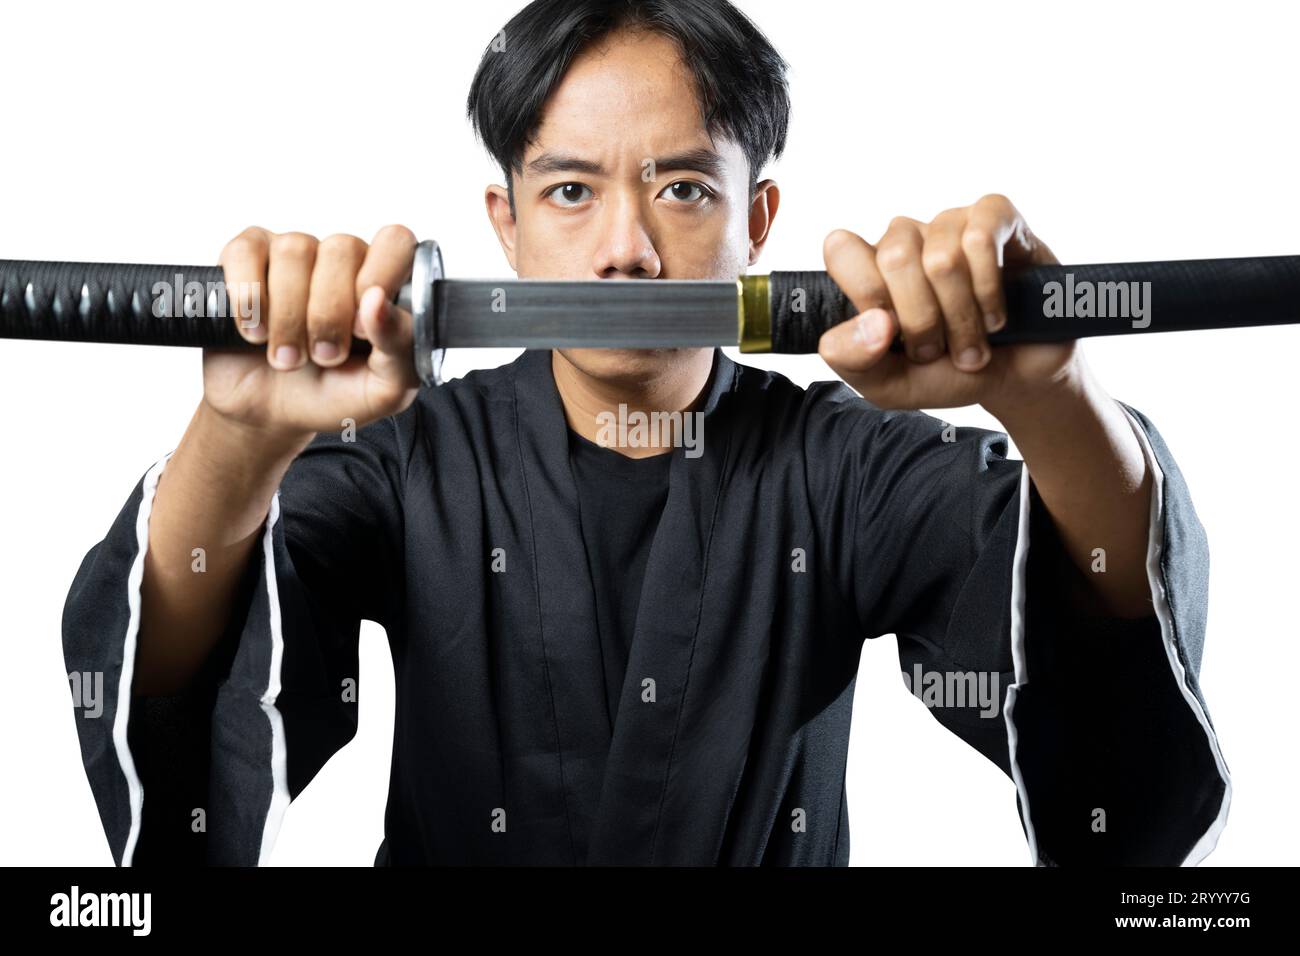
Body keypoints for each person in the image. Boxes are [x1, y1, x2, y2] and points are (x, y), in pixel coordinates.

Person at [62, 0, 1229, 866]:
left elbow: (1100, 636)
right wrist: (233, 435)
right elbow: (173, 687)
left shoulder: (842, 462)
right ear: (505, 225)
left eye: (681, 188)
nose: (625, 247)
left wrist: (1048, 395)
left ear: (756, 217)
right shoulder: (409, 456)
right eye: (570, 192)